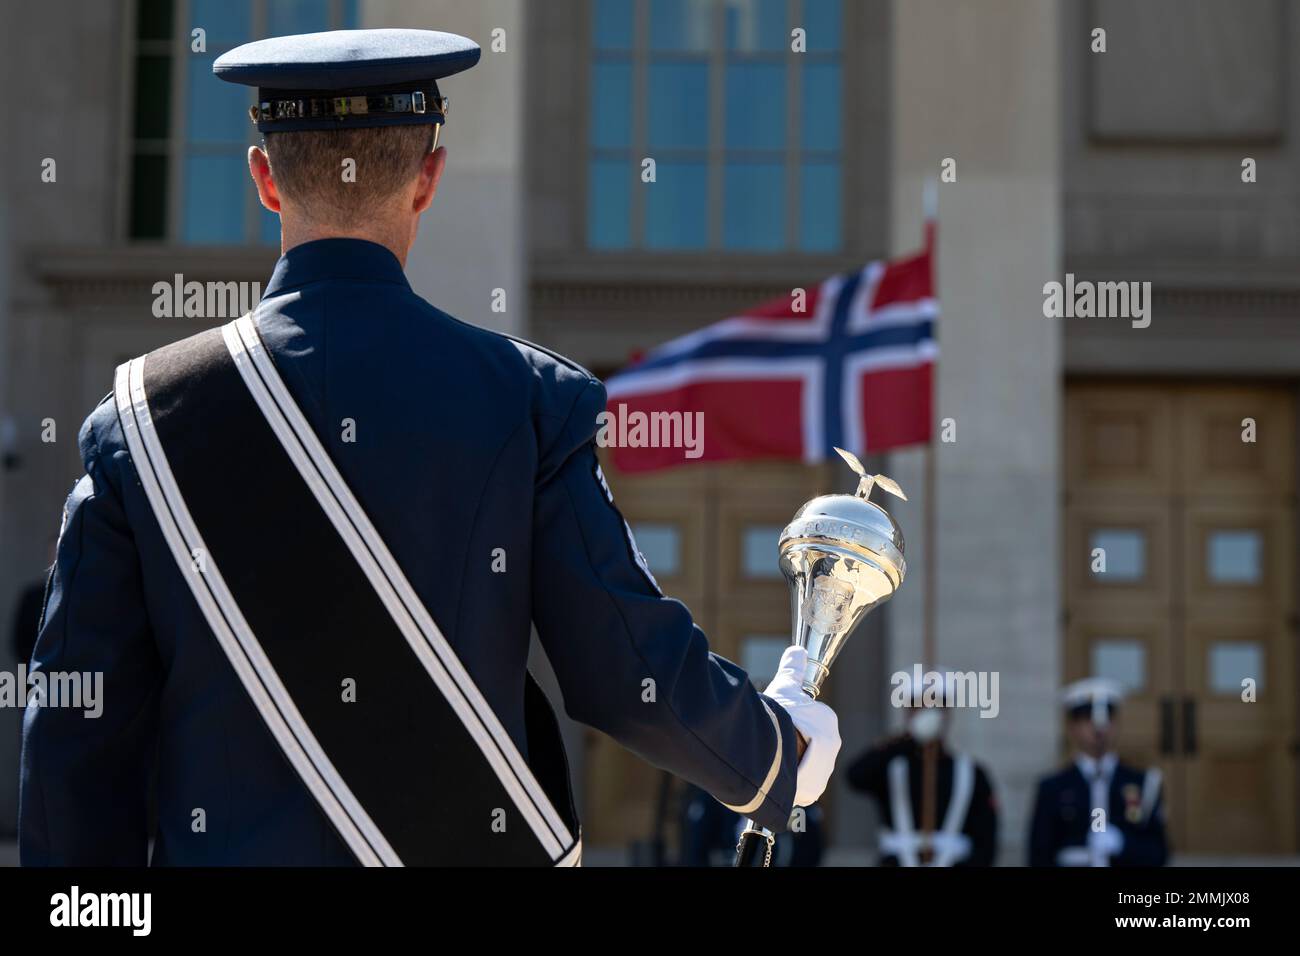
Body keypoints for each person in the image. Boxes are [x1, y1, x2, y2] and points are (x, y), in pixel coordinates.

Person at [19, 28, 840, 866]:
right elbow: (628, 669)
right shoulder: (526, 400)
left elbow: (75, 741)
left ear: (265, 181)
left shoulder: (139, 421)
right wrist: (771, 753)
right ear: (428, 179)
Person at [847, 670, 998, 866]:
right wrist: (909, 738)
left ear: (946, 715)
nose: (927, 714)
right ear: (908, 714)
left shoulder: (972, 773)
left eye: (935, 707)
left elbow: (986, 843)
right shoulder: (890, 765)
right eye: (918, 707)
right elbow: (855, 776)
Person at [1027, 678, 1168, 867]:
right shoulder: (1053, 788)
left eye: (1107, 718)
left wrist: (1123, 844)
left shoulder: (1141, 784)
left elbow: (1158, 853)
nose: (1098, 728)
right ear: (1072, 727)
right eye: (1088, 719)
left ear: (1116, 724)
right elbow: (1039, 854)